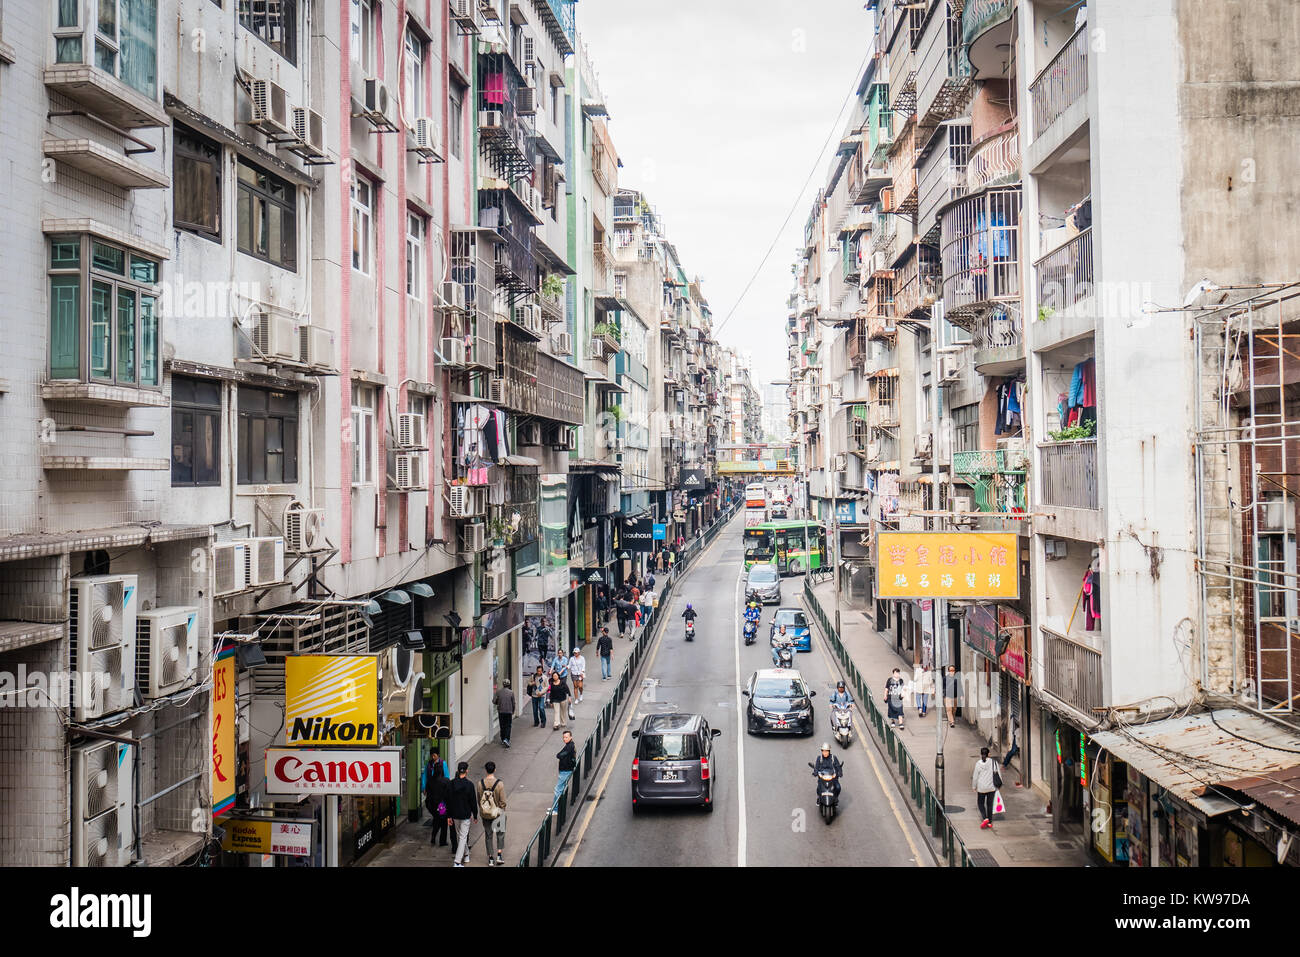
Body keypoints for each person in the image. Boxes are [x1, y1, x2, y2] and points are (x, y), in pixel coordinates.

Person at [475, 761, 508, 866]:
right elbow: (503, 801)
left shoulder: (480, 784)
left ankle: (490, 858)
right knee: (500, 833)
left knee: (488, 835)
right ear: (494, 769)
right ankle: (499, 855)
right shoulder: (499, 784)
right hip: (498, 812)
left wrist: (484, 809)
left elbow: (479, 799)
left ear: (485, 770)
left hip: (485, 813)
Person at [447, 761, 478, 866]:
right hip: (465, 814)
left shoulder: (451, 784)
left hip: (454, 815)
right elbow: (473, 801)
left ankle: (466, 855)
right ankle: (457, 861)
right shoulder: (469, 785)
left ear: (457, 771)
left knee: (460, 835)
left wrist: (449, 816)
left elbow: (448, 801)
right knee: (463, 837)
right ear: (467, 771)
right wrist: (475, 814)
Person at [424, 756, 450, 847]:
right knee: (443, 822)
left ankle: (433, 836)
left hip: (431, 804)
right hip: (441, 805)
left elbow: (427, 792)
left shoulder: (430, 781)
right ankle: (442, 840)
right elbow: (448, 794)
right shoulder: (445, 781)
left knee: (436, 819)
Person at [973, 746, 999, 829]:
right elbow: (998, 774)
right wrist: (998, 786)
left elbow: (975, 777)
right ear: (989, 754)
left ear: (981, 755)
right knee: (989, 805)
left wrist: (974, 786)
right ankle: (990, 822)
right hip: (991, 787)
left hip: (981, 788)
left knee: (980, 804)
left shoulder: (978, 764)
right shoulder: (994, 762)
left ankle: (985, 818)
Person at [552, 730, 576, 814]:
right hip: (565, 770)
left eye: (566, 737)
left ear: (571, 737)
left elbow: (559, 755)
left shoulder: (569, 747)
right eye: (564, 737)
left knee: (557, 790)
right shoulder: (569, 745)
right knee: (560, 789)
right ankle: (554, 808)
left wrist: (559, 755)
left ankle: (555, 809)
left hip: (565, 771)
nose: (564, 739)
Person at [493, 679, 515, 748]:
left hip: (501, 711)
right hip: (509, 711)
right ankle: (506, 739)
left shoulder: (498, 692)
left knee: (502, 725)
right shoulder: (511, 692)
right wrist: (513, 710)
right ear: (509, 684)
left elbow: (494, 701)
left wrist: (498, 703)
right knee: (508, 725)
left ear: (503, 684)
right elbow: (513, 703)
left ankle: (503, 739)